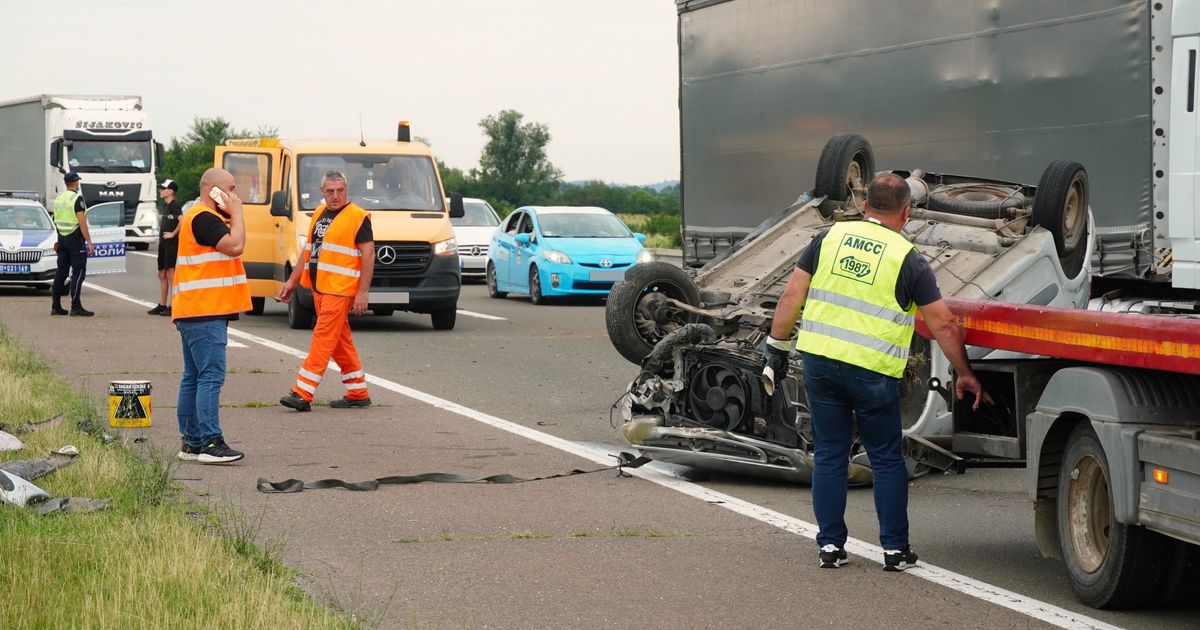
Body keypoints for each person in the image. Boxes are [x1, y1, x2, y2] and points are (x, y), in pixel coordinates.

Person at [763, 173, 989, 572]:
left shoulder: (827, 239)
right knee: (884, 458)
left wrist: (776, 349)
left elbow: (790, 296)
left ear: (865, 206)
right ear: (906, 212)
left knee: (830, 454)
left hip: (819, 362)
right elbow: (943, 324)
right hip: (871, 372)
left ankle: (830, 547)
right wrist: (964, 371)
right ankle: (894, 550)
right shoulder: (908, 258)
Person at [277, 170, 374, 412]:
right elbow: (308, 251)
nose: (335, 196)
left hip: (340, 291)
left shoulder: (358, 216)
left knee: (322, 339)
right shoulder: (319, 214)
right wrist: (292, 281)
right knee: (340, 342)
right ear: (322, 192)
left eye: (340, 191)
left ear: (346, 190)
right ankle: (357, 391)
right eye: (330, 191)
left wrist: (362, 292)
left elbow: (368, 254)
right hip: (320, 289)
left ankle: (302, 393)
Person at [171, 167, 249, 464]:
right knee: (210, 377)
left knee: (193, 377)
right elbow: (235, 246)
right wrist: (238, 213)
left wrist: (233, 213)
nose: (234, 195)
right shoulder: (205, 217)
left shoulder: (199, 217)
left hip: (195, 309)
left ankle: (191, 443)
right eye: (230, 189)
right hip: (205, 310)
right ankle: (210, 443)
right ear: (213, 190)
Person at [50, 170, 94, 317]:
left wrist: (58, 240)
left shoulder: (59, 198)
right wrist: (89, 242)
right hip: (75, 240)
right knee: (78, 272)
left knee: (61, 273)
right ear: (76, 182)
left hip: (62, 239)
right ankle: (76, 306)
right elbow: (82, 223)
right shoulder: (77, 199)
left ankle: (56, 306)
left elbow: (56, 220)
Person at [148, 179, 182, 316]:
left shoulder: (175, 205)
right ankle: (162, 304)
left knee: (170, 274)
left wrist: (173, 233)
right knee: (161, 274)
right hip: (163, 244)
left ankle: (174, 305)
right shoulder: (166, 206)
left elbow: (182, 220)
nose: (160, 191)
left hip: (171, 245)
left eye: (163, 188)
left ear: (171, 191)